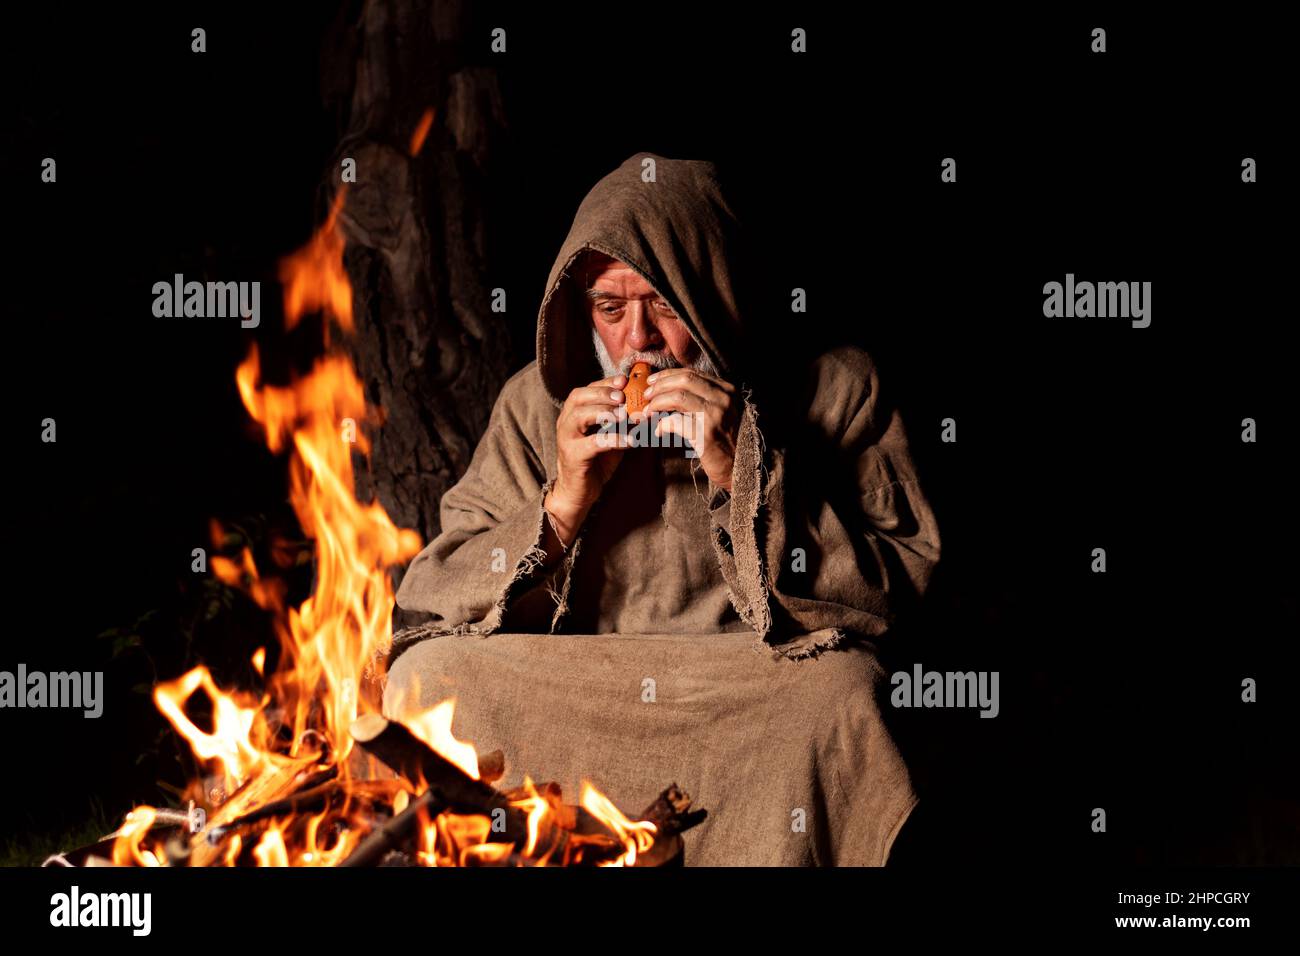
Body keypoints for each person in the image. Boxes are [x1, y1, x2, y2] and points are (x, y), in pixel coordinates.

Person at [383, 153, 941, 865]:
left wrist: (744, 471)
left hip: (745, 688)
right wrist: (561, 506)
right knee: (424, 679)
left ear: (717, 295)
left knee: (844, 696)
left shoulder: (839, 388)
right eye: (610, 309)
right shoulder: (535, 405)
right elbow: (431, 593)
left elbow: (903, 592)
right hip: (583, 681)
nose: (638, 340)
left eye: (666, 305)